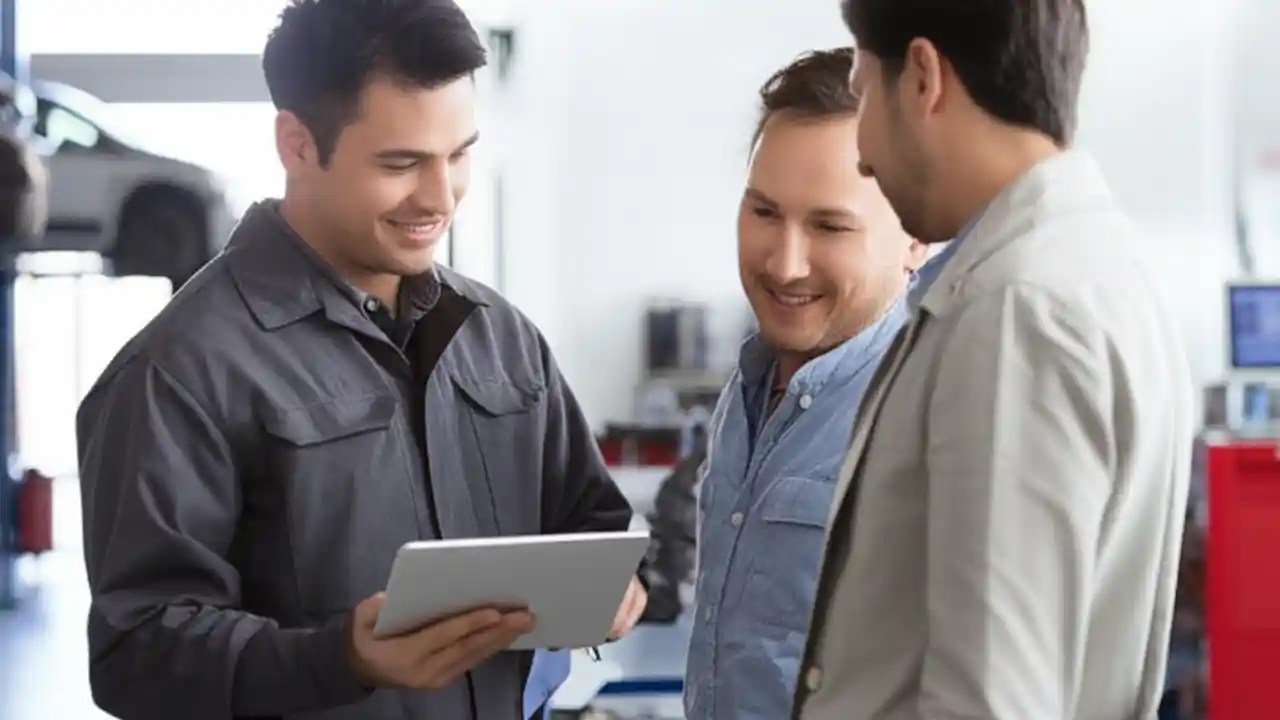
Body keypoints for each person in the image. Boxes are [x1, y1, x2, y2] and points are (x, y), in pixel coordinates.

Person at [75, 2, 646, 719]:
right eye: (402, 163)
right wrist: (337, 658)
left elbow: (590, 521)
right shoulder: (179, 371)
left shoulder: (501, 338)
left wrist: (617, 586)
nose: (441, 198)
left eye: (460, 154)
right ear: (297, 143)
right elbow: (135, 656)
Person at [793, 1, 1194, 718]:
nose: (861, 152)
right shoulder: (1098, 268)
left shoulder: (1017, 311)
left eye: (859, 92)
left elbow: (990, 702)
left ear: (922, 77)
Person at [683, 48, 925, 720]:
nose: (785, 265)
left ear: (916, 236)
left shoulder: (927, 415)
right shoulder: (751, 387)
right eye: (764, 212)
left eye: (829, 226)